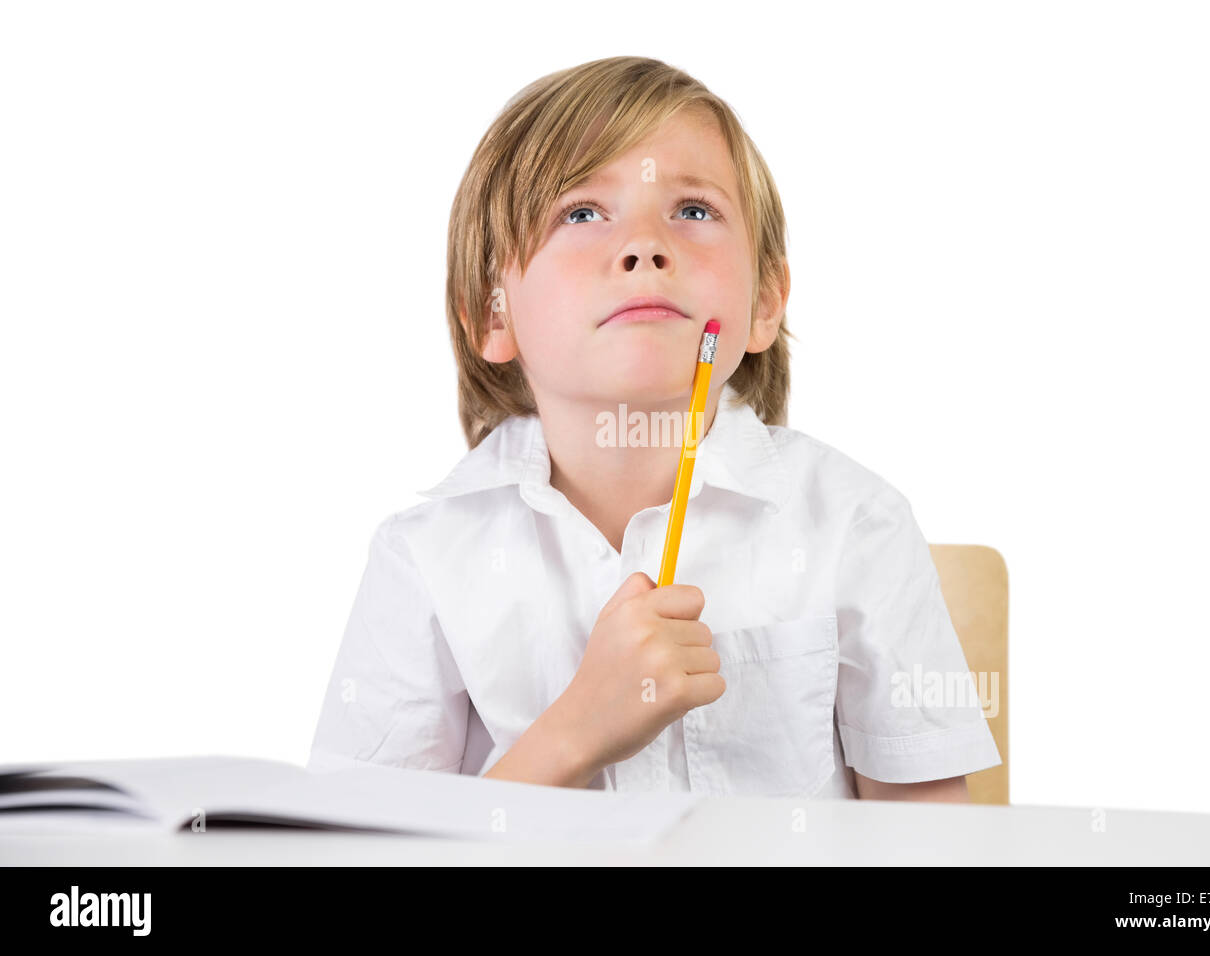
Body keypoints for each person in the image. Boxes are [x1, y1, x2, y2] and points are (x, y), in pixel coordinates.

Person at [306, 56, 1002, 801]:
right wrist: (578, 729)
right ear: (492, 312)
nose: (644, 247)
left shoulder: (858, 524)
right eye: (580, 213)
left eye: (693, 211)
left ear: (764, 303)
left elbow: (930, 844)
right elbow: (364, 851)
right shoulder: (425, 558)